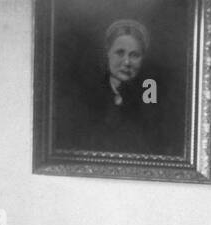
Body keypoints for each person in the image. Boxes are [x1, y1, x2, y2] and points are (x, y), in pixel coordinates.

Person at [65, 18, 167, 154]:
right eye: (119, 53)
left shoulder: (149, 92)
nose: (127, 62)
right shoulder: (88, 95)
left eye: (134, 55)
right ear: (108, 53)